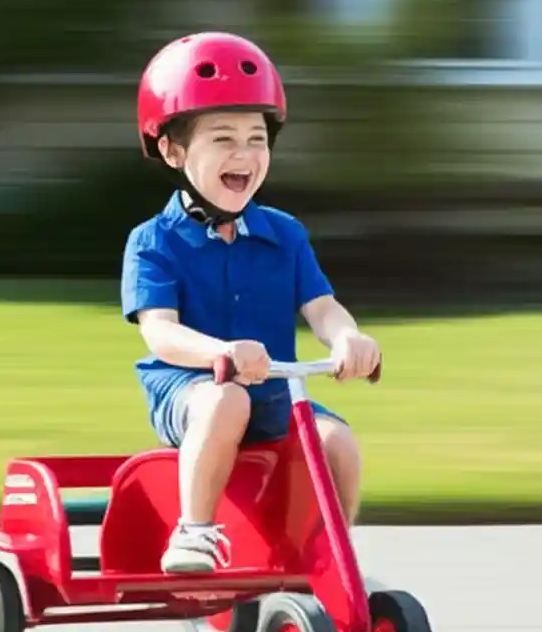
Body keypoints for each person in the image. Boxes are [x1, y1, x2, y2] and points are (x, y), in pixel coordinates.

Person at [120, 32, 381, 574]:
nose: (244, 154)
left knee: (337, 443)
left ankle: (328, 553)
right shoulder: (153, 241)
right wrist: (222, 353)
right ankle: (193, 532)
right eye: (222, 139)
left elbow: (321, 306)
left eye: (256, 138)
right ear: (172, 150)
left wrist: (347, 337)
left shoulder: (284, 234)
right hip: (188, 390)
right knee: (226, 402)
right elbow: (160, 333)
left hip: (274, 389)